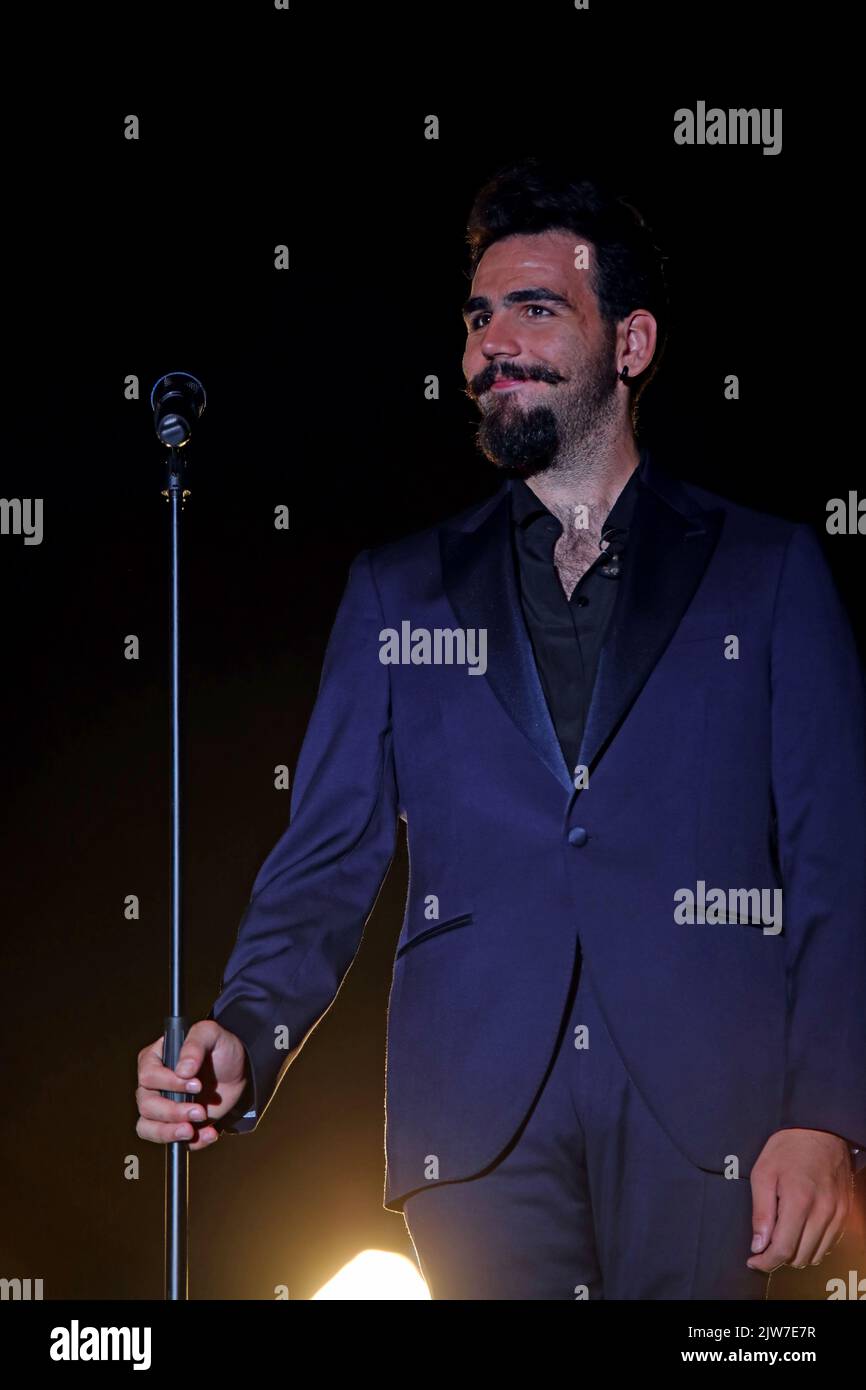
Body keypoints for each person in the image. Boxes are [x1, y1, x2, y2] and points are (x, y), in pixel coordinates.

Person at [136, 157, 866, 1299]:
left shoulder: (766, 572)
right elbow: (326, 857)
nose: (489, 343)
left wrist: (825, 1113)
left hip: (716, 1115)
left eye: (534, 308)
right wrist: (244, 1027)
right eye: (478, 317)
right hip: (473, 1119)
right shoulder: (396, 591)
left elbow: (836, 860)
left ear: (628, 345)